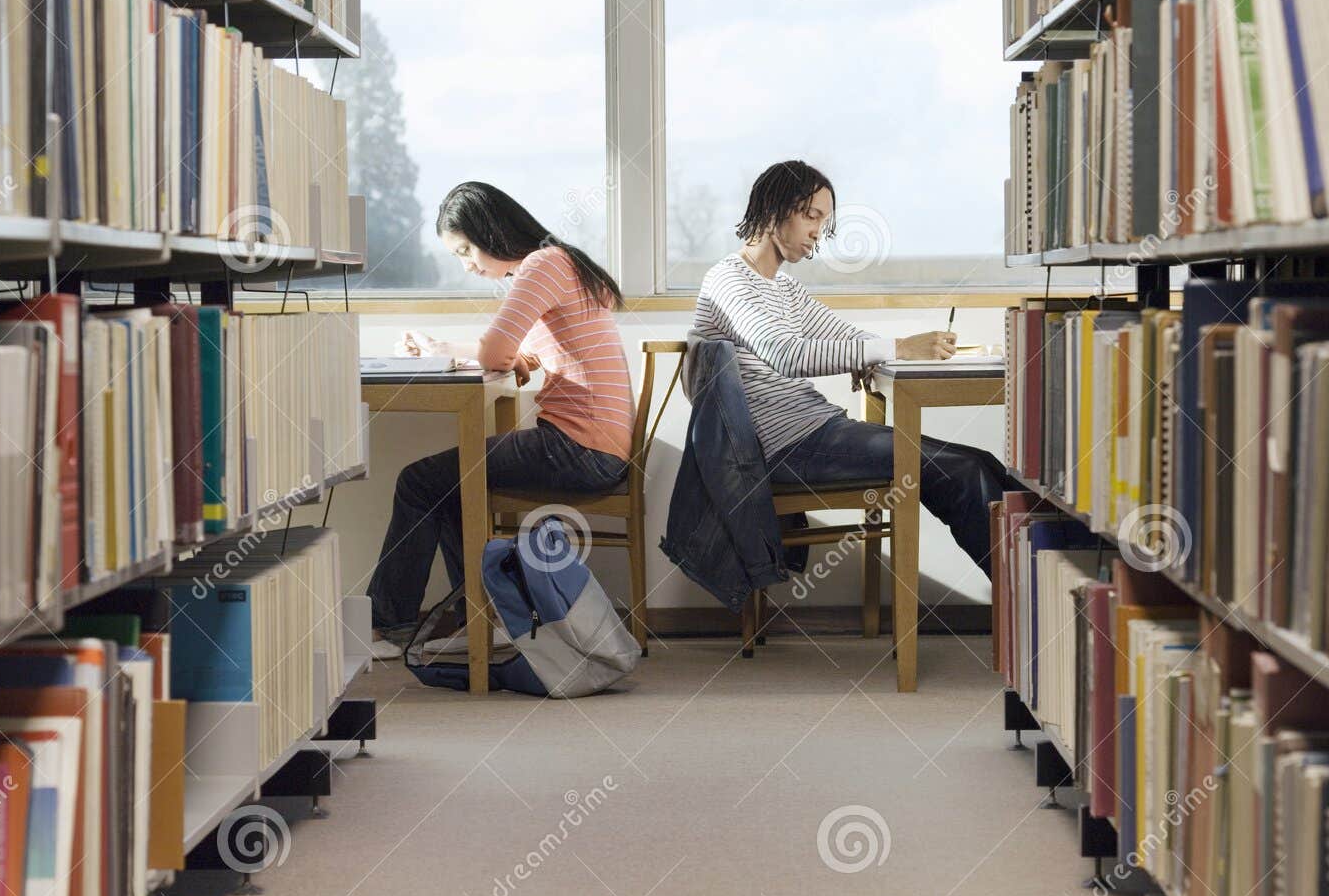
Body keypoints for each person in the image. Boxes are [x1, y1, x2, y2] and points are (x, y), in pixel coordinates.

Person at [691, 159, 1020, 578]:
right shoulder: (729, 280)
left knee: (981, 461)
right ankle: (1024, 599)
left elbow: (848, 336)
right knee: (961, 470)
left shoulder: (784, 287)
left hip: (818, 432)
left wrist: (878, 351)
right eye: (811, 216)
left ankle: (1053, 569)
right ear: (774, 210)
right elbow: (787, 354)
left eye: (823, 222)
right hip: (786, 448)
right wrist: (897, 347)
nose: (817, 232)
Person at [368, 181, 634, 640]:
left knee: (419, 482)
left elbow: (496, 355)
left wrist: (483, 353)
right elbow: (520, 355)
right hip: (592, 445)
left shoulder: (543, 265)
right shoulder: (557, 263)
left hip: (579, 448)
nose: (466, 264)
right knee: (449, 488)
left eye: (465, 249)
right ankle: (479, 621)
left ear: (490, 231)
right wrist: (438, 349)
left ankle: (390, 626)